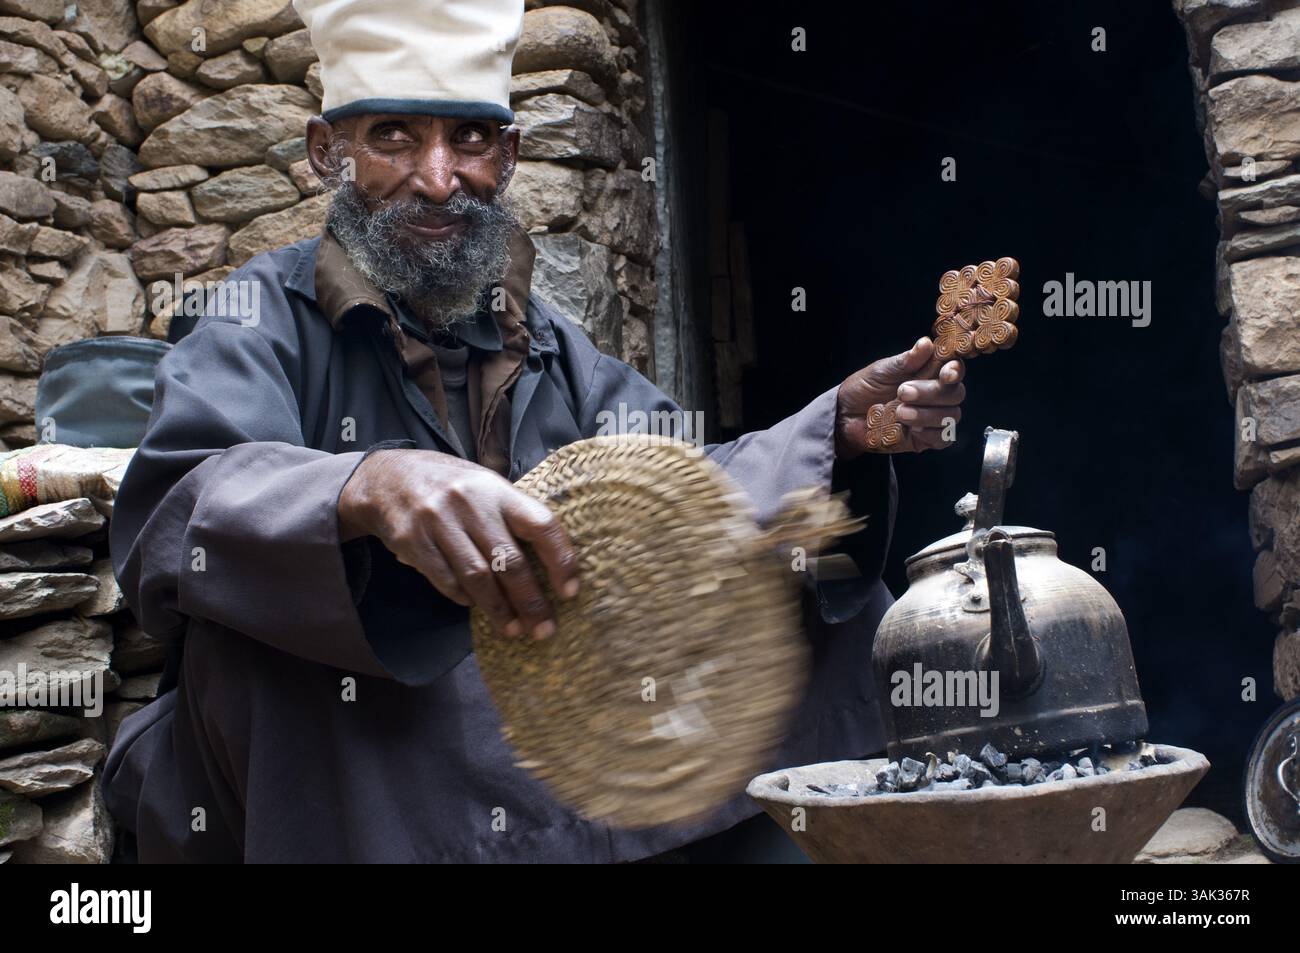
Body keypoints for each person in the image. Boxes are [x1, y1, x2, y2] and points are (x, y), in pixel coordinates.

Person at [102, 0, 967, 862]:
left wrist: (836, 433)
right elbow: (180, 502)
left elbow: (685, 481)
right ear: (330, 152)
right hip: (357, 717)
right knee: (327, 683)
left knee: (830, 618)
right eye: (395, 136)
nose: (438, 178)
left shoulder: (542, 337)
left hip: (530, 683)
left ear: (508, 157)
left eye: (470, 141)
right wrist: (362, 489)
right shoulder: (261, 316)